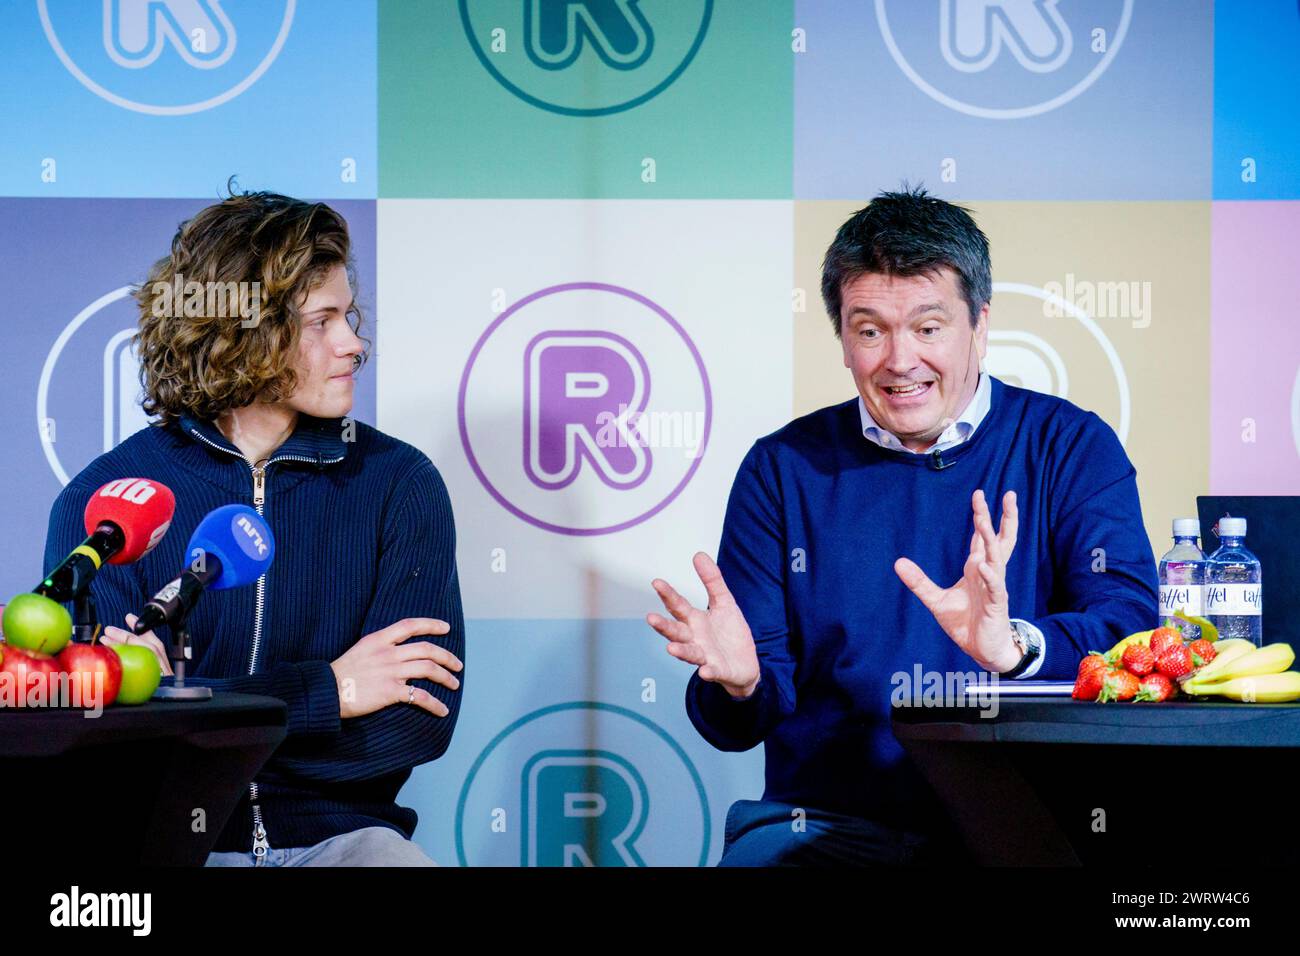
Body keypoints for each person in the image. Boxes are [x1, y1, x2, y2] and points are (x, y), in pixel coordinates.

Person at [646, 186, 1158, 866]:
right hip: (835, 828)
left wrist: (1016, 646)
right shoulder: (783, 469)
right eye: (869, 330)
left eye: (928, 327)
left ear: (980, 323)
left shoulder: (1070, 447)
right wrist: (738, 686)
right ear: (843, 340)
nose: (899, 360)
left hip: (1035, 822)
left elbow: (1130, 629)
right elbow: (740, 715)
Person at [43, 188, 465, 867]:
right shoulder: (104, 499)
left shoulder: (400, 484)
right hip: (164, 848)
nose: (353, 343)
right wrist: (330, 691)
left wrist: (188, 706)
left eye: (348, 316)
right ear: (242, 332)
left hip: (344, 843)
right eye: (321, 321)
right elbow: (107, 736)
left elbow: (411, 728)